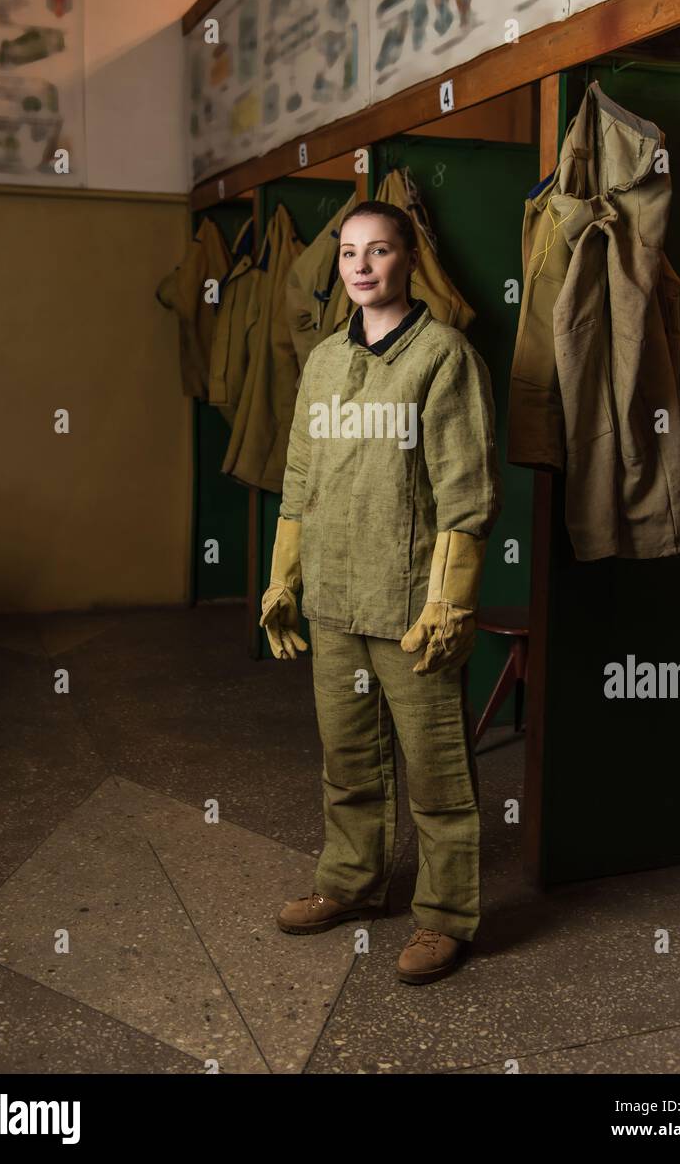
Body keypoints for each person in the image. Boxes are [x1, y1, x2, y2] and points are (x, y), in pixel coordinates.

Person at [260, 199, 502, 985]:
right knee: (348, 761)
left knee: (436, 773)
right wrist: (282, 577)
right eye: (349, 254)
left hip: (409, 606)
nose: (361, 266)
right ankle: (351, 884)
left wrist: (449, 602)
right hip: (333, 599)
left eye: (381, 251)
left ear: (408, 260)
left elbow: (465, 492)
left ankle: (444, 918)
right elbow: (299, 476)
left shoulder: (444, 357)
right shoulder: (326, 360)